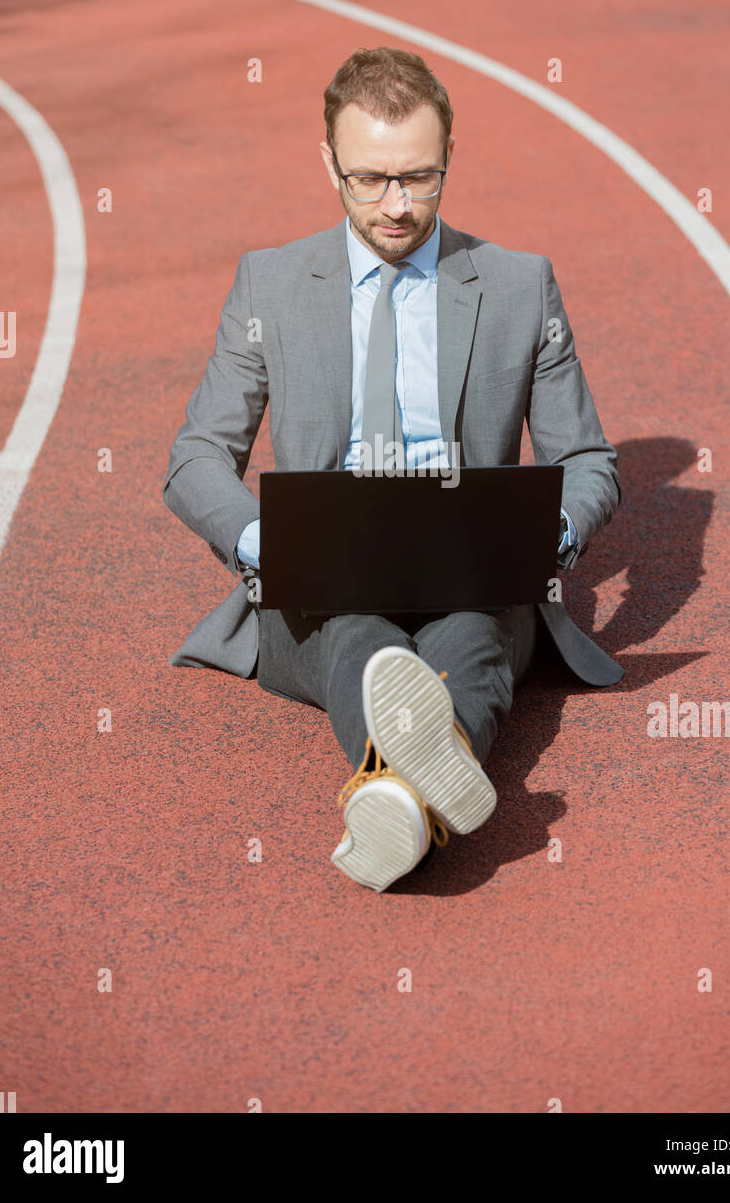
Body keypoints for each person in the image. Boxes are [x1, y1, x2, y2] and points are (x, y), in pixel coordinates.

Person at [163, 46, 622, 892]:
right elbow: (195, 457)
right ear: (328, 160)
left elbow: (589, 459)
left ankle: (391, 804)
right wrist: (268, 544)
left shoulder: (521, 288)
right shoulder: (268, 285)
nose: (398, 206)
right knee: (358, 638)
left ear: (452, 158)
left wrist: (546, 536)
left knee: (475, 631)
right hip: (318, 592)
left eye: (420, 177)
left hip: (474, 580)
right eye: (369, 179)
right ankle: (422, 787)